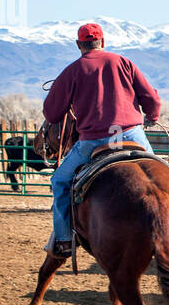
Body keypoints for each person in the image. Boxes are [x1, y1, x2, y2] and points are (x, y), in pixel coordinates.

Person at [43, 22, 161, 257]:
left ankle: (65, 240)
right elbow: (152, 98)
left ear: (79, 45)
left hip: (94, 141)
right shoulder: (124, 63)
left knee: (60, 181)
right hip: (131, 133)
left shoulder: (72, 71)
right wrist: (152, 116)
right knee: (164, 175)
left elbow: (52, 114)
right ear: (103, 42)